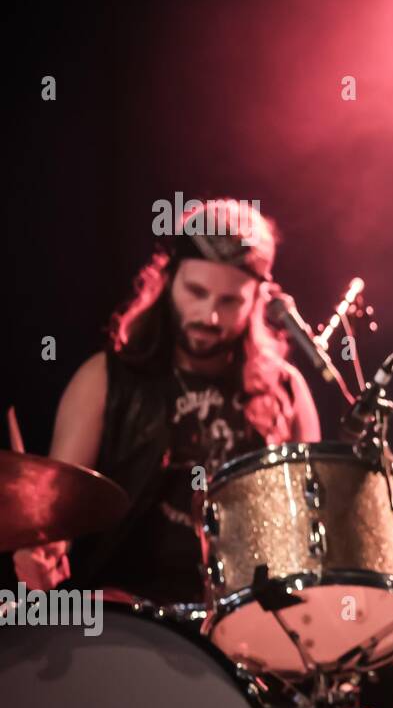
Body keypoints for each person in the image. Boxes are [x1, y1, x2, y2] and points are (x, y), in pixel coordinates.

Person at [12, 198, 320, 605]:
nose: (210, 316)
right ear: (167, 279)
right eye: (196, 291)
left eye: (230, 301)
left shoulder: (286, 391)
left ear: (258, 300)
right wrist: (40, 551)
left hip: (246, 630)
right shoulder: (104, 379)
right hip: (123, 621)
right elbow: (57, 513)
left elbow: (312, 524)